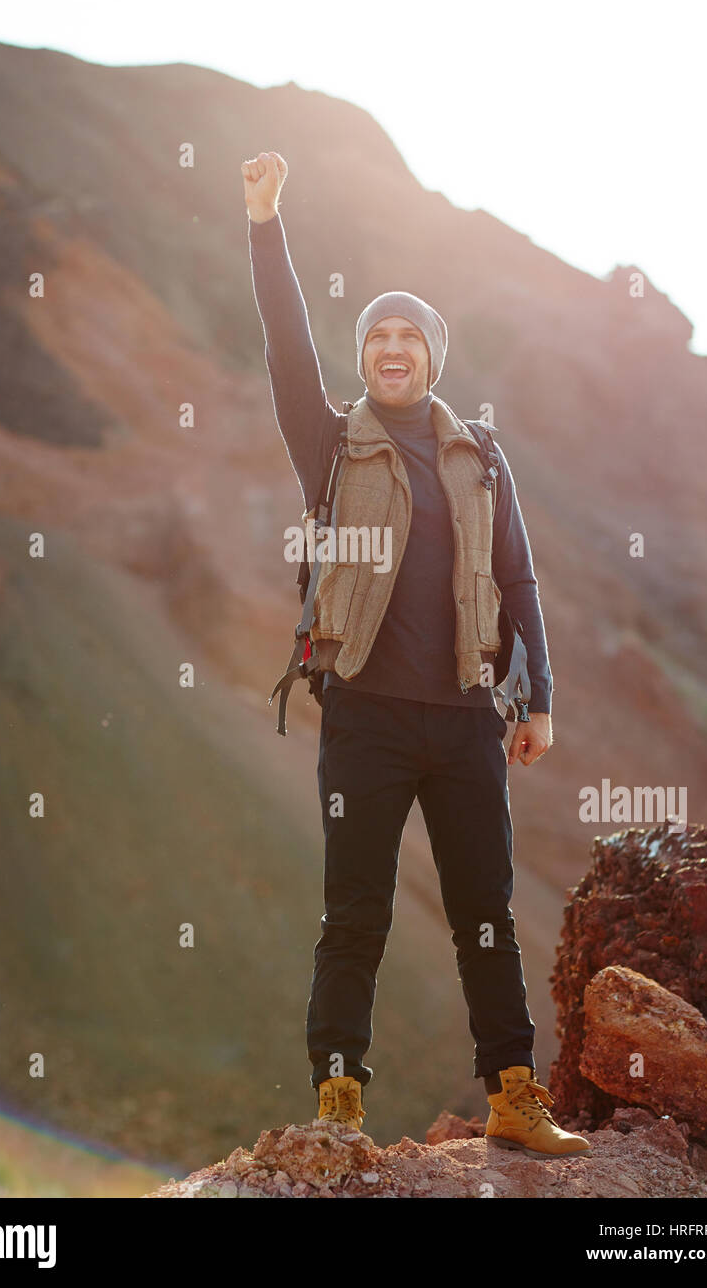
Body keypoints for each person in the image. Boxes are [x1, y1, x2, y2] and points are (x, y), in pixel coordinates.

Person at [242, 150, 589, 1157]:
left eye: (409, 335)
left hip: (465, 718)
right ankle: (338, 1103)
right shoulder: (329, 440)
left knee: (484, 910)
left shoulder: (479, 454)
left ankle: (514, 1096)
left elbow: (517, 580)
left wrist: (536, 699)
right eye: (377, 335)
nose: (391, 347)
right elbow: (282, 346)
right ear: (366, 355)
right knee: (354, 913)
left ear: (432, 355)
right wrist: (264, 224)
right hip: (363, 717)